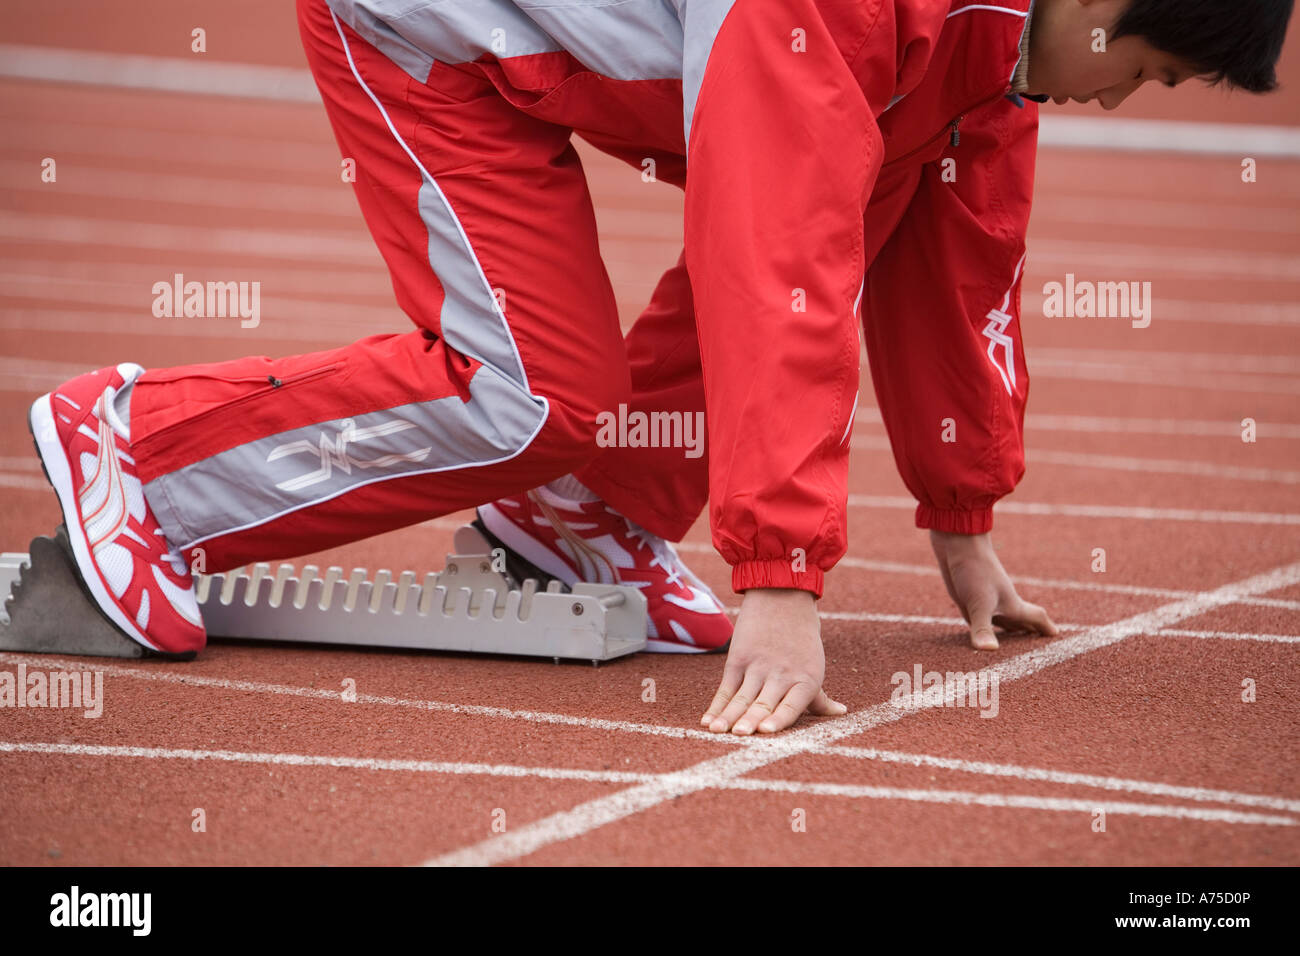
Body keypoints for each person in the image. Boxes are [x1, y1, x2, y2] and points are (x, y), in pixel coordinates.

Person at [29, 0, 1292, 734]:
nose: (1125, 101)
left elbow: (962, 264)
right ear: (1095, 3)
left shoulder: (991, 64)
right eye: (1149, 71)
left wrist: (961, 509)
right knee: (528, 389)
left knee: (876, 196)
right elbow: (775, 253)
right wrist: (778, 577)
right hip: (420, 29)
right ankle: (138, 451)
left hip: (526, 57)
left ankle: (586, 517)